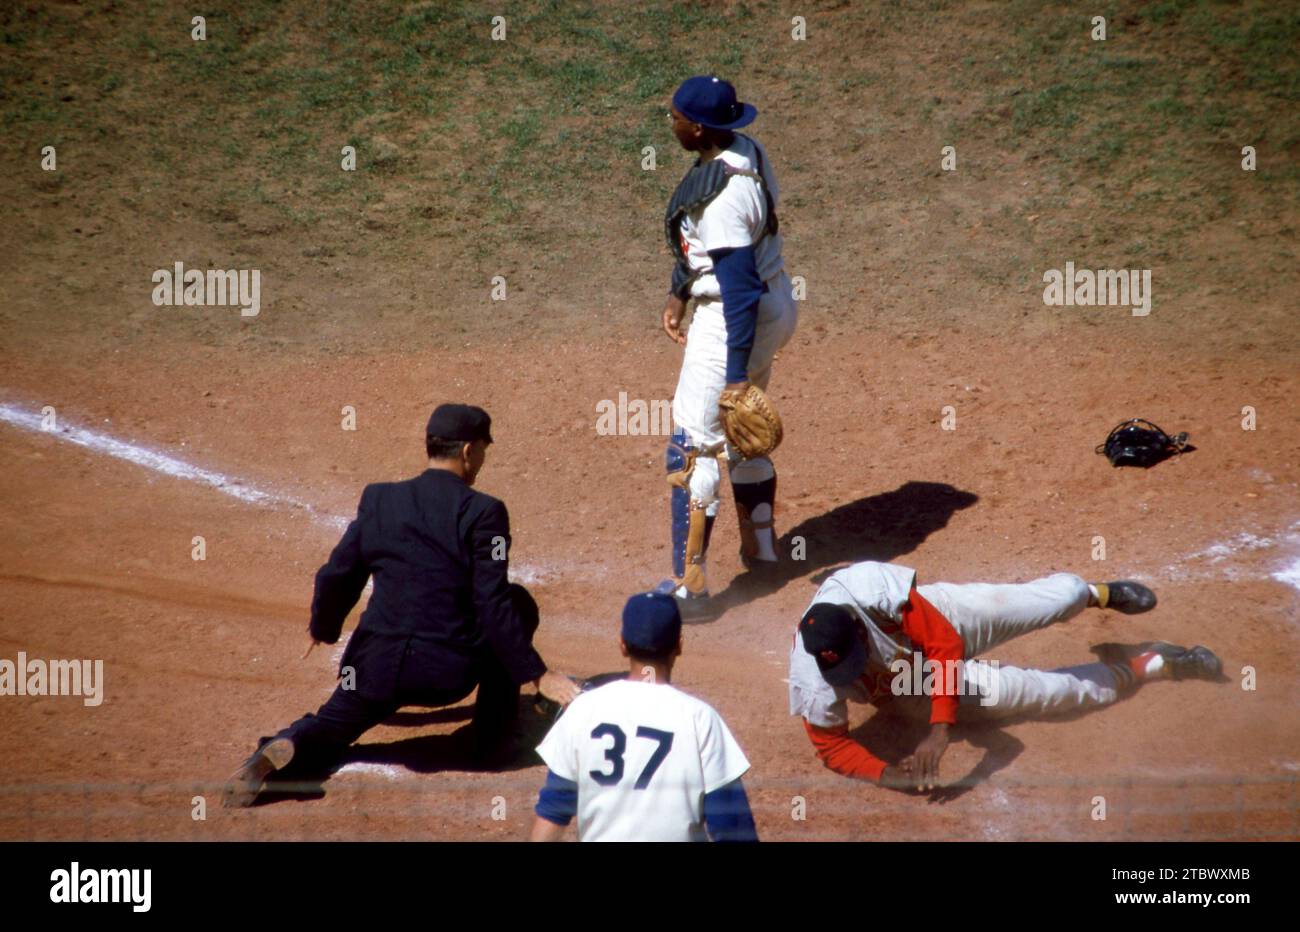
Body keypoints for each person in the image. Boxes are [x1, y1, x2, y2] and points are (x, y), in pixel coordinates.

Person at [222, 404, 579, 807]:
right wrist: (536, 674)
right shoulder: (485, 512)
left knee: (332, 726)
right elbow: (492, 602)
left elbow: (337, 573)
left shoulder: (379, 499)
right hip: (445, 673)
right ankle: (491, 742)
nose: (481, 460)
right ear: (466, 452)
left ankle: (286, 744)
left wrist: (324, 626)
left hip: (373, 668)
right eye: (481, 450)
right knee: (518, 601)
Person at [788, 562, 1222, 791]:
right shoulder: (811, 674)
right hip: (908, 683)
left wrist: (940, 730)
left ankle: (1097, 594)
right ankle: (1146, 665)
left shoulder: (866, 590)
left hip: (944, 621)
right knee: (1036, 694)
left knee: (1050, 598)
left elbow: (944, 647)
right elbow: (831, 746)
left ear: (859, 628)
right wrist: (886, 775)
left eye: (852, 655)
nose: (848, 669)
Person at [657, 75, 798, 614]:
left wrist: (735, 374)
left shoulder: (723, 200)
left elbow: (736, 292)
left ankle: (688, 588)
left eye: (675, 118)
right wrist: (679, 293)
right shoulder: (745, 149)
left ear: (698, 128)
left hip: (736, 320)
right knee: (740, 433)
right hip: (775, 304)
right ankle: (762, 551)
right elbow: (708, 256)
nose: (670, 124)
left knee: (694, 448)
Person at [529, 592, 758, 841]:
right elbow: (733, 829)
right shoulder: (701, 720)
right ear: (679, 645)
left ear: (622, 644)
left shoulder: (583, 711)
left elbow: (552, 815)